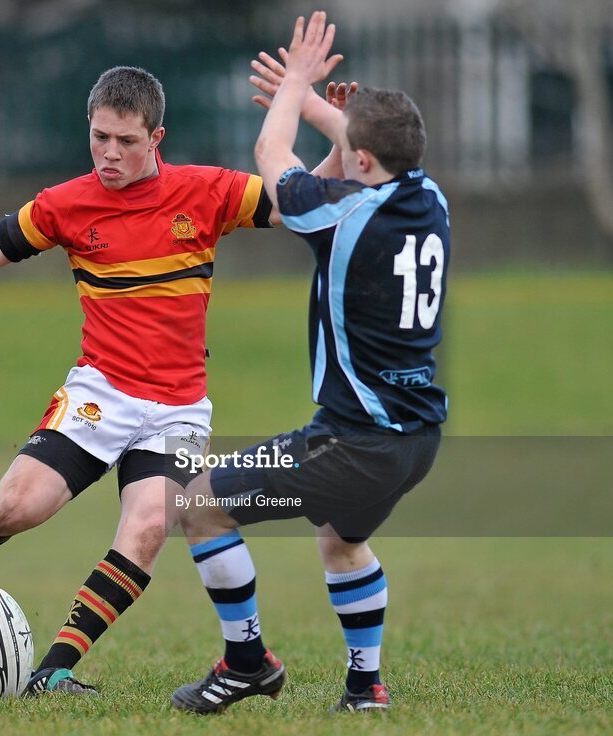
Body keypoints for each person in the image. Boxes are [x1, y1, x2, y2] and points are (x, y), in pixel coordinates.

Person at [0, 65, 340, 697]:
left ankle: (53, 670)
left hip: (179, 410)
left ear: (157, 137)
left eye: (126, 141)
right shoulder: (66, 205)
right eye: (99, 137)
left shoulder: (208, 191)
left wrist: (341, 143)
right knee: (17, 508)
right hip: (99, 395)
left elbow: (305, 203)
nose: (109, 153)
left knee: (151, 527)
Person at [170, 13, 450, 714]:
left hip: (351, 442)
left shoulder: (344, 214)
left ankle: (245, 663)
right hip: (416, 440)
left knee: (200, 507)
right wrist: (321, 102)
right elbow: (367, 149)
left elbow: (271, 155)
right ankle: (365, 690)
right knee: (339, 540)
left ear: (358, 162)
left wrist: (297, 88)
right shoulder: (430, 198)